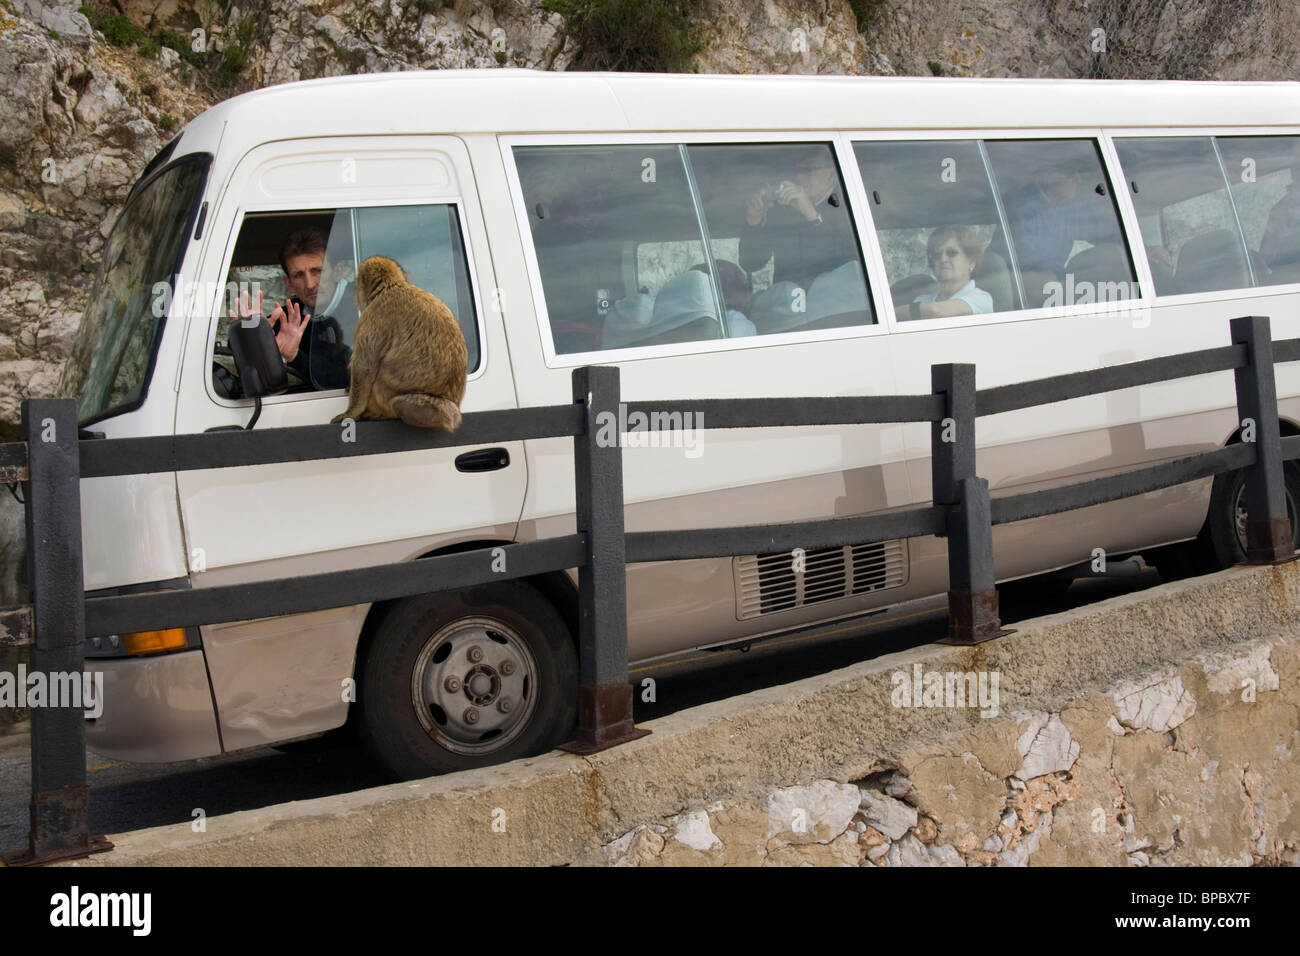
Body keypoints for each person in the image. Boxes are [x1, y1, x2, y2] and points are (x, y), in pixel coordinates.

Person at [228, 227, 353, 390]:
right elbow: (236, 348)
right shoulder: (295, 312)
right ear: (289, 283)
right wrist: (251, 331)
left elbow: (348, 383)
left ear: (338, 271)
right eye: (299, 275)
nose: (310, 284)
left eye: (317, 271)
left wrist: (295, 356)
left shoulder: (362, 307)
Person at [739, 147, 853, 291]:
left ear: (831, 174)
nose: (799, 176)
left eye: (807, 169)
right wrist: (754, 221)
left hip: (835, 303)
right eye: (796, 170)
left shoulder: (851, 205)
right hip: (790, 305)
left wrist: (812, 215)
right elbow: (751, 264)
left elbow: (851, 263)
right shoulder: (783, 210)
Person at [993, 161, 1114, 278]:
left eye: (1078, 173)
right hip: (1027, 284)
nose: (1078, 180)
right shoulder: (1022, 208)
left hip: (1056, 281)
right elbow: (1028, 259)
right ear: (1046, 176)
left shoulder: (1073, 205)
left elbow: (1108, 228)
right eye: (1070, 174)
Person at [905, 225, 993, 320]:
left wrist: (891, 314)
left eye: (951, 253)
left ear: (971, 262)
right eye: (937, 254)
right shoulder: (921, 300)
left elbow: (935, 311)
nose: (943, 259)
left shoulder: (981, 299)